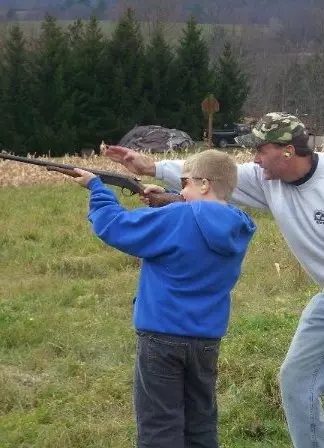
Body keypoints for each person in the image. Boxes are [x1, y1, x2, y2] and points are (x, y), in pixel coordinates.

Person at [104, 112, 324, 448]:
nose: (254, 160)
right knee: (297, 382)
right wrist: (148, 167)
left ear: (287, 151)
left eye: (260, 152)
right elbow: (215, 176)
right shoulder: (269, 179)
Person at [70, 149, 256, 448]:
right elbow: (202, 214)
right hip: (206, 340)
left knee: (160, 427)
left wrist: (97, 189)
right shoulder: (239, 223)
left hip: (161, 338)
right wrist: (173, 196)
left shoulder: (178, 216)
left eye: (186, 184)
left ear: (205, 184)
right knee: (201, 422)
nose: (181, 191)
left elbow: (116, 227)